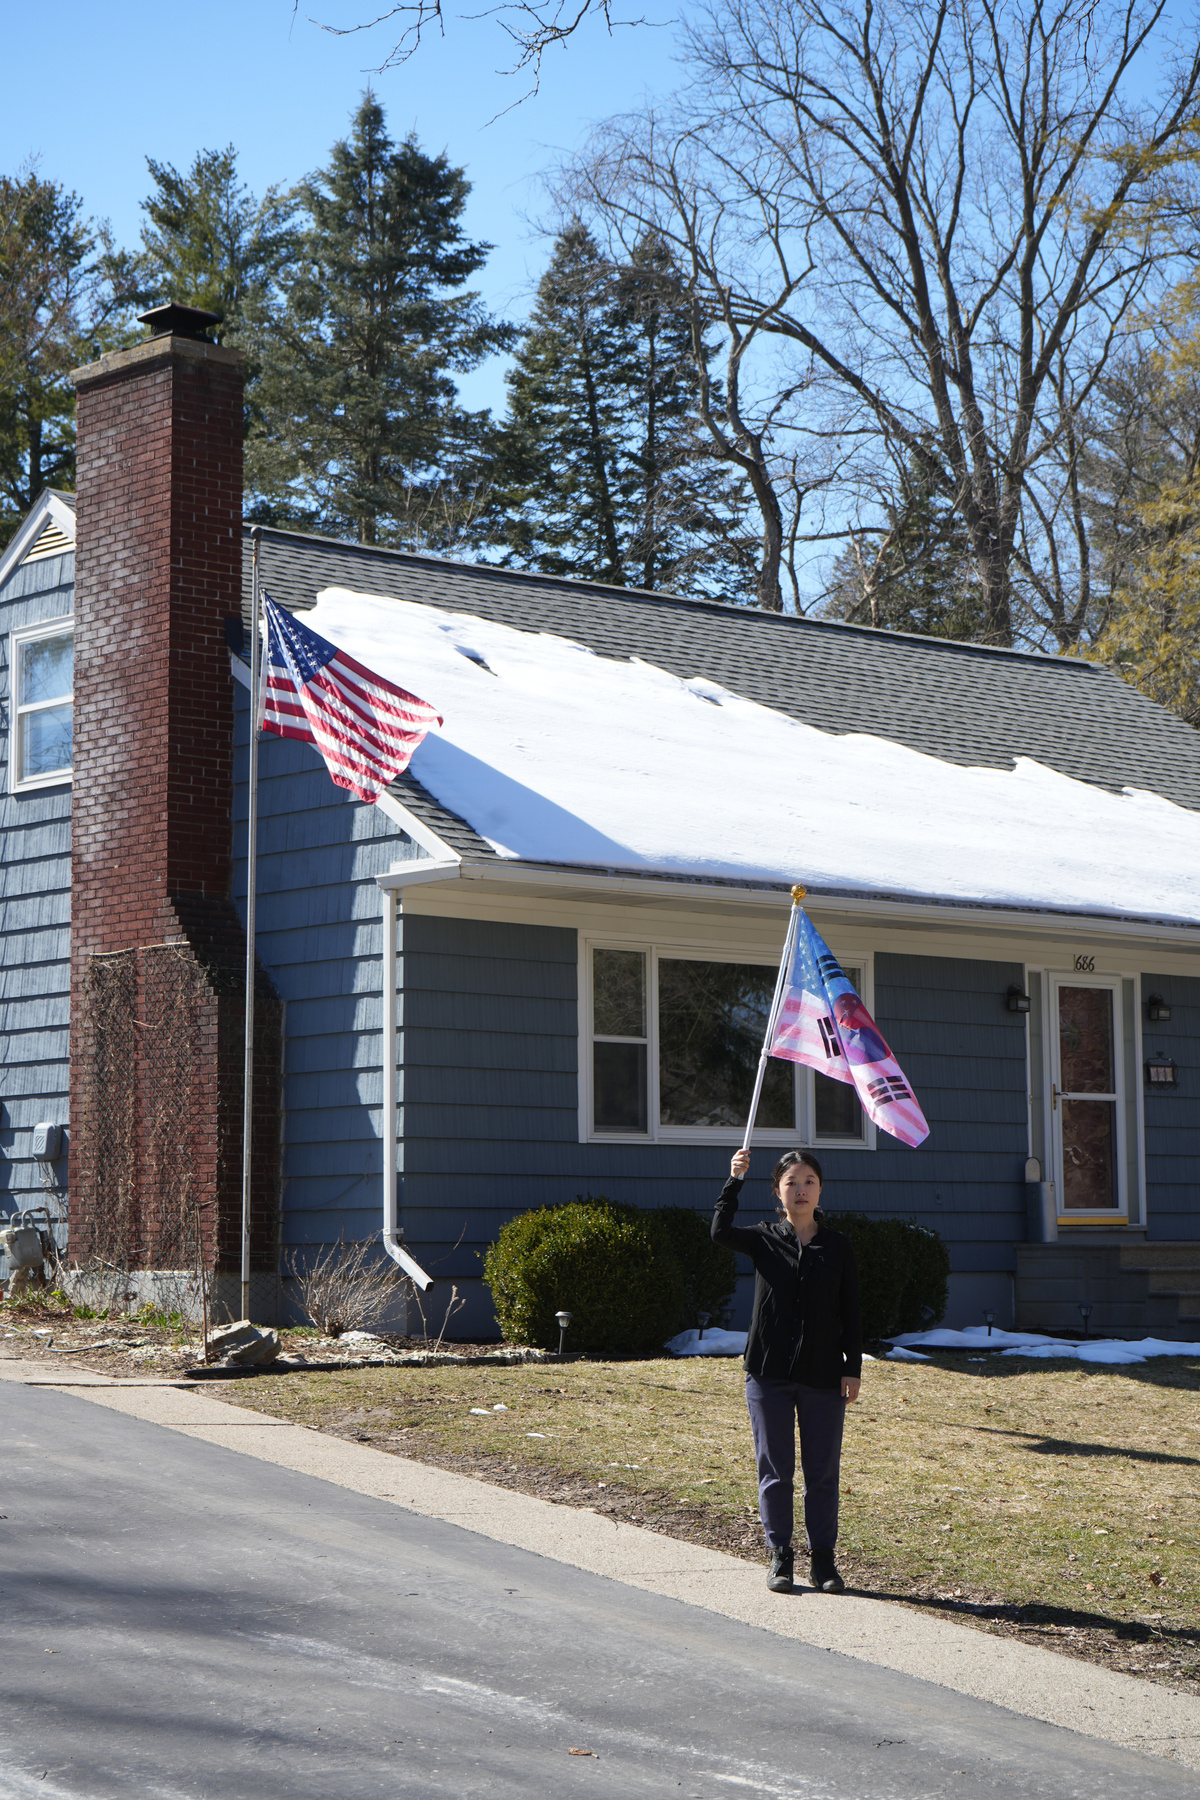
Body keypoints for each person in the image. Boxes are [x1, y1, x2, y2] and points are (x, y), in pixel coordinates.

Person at [713, 1147, 861, 1595]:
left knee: (822, 1472)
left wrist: (852, 1368)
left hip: (823, 1376)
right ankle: (780, 1556)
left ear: (820, 1189)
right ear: (778, 1190)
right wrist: (733, 1181)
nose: (801, 1190)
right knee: (776, 1470)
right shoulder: (762, 1238)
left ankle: (824, 1563)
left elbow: (850, 1311)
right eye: (791, 1182)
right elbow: (719, 1232)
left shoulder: (837, 1246)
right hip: (767, 1373)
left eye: (809, 1182)